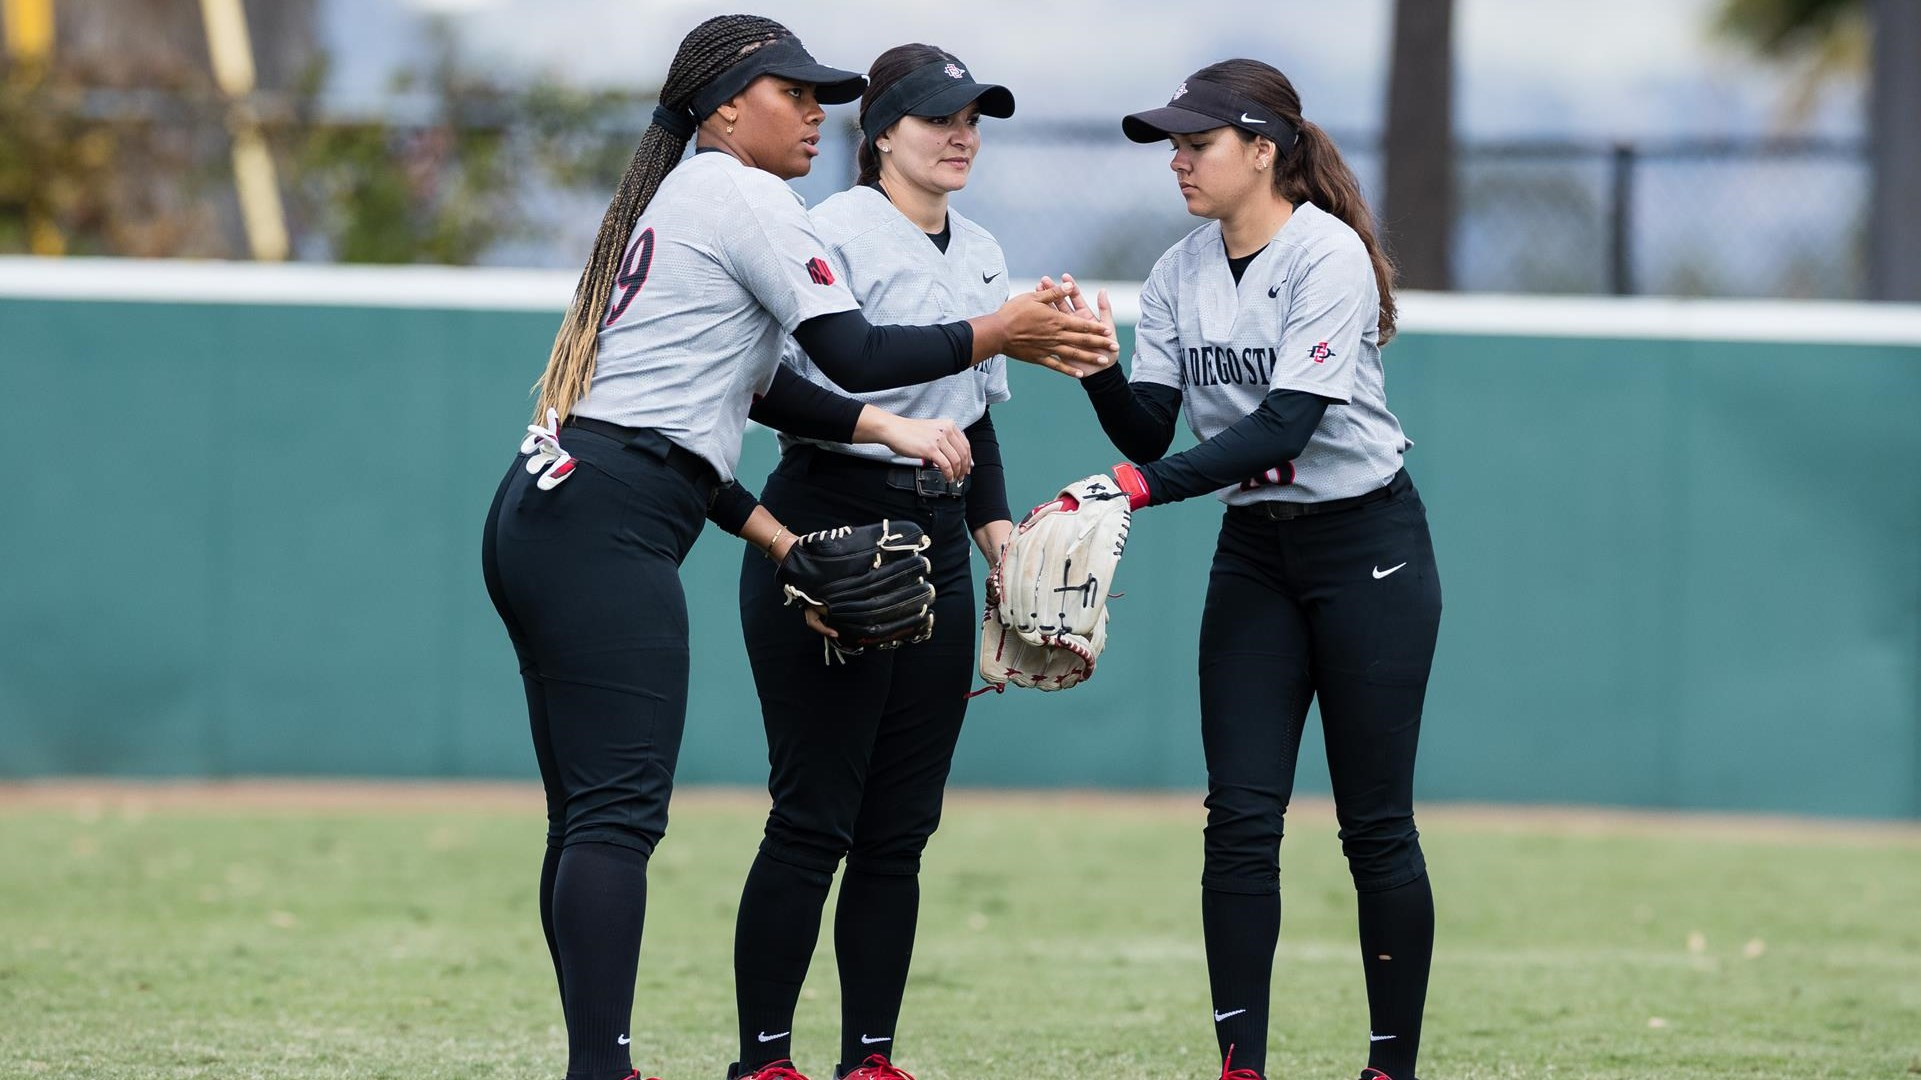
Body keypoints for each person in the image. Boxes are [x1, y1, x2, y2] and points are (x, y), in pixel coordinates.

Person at [478, 16, 1115, 1080]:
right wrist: (998, 331)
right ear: (727, 107)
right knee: (620, 818)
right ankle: (609, 1068)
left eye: (825, 96)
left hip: (567, 498)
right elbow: (851, 353)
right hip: (606, 516)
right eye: (795, 94)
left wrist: (784, 533)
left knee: (588, 818)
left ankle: (607, 1061)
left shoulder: (692, 193)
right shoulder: (745, 195)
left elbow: (739, 398)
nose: (816, 112)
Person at [1048, 58, 1442, 1080]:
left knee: (1376, 829)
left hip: (1368, 549)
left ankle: (1388, 1069)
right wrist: (1096, 364)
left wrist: (1135, 488)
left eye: (1197, 143)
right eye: (1172, 146)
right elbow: (1149, 423)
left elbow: (1285, 425)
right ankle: (1240, 1067)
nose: (1177, 162)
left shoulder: (1327, 256)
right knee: (1238, 818)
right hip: (1257, 554)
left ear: (1261, 150)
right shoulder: (1181, 268)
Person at [727, 45, 1018, 1080]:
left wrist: (999, 542)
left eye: (974, 117)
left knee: (899, 831)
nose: (961, 133)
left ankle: (870, 1060)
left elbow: (974, 423)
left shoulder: (981, 249)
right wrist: (986, 341)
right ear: (881, 133)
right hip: (829, 520)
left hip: (935, 536)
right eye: (938, 115)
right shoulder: (828, 230)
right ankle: (764, 1060)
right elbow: (805, 380)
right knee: (814, 818)